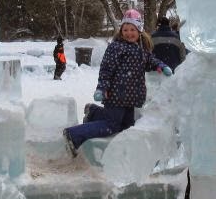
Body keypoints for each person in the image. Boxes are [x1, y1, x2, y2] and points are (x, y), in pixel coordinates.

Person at [63, 9, 172, 157]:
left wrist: (161, 66)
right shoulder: (116, 47)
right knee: (111, 125)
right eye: (125, 30)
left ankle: (94, 113)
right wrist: (102, 88)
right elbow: (106, 69)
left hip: (131, 98)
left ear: (139, 30)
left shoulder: (141, 49)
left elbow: (150, 61)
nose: (129, 33)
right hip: (116, 95)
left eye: (132, 29)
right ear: (121, 31)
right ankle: (73, 135)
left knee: (127, 126)